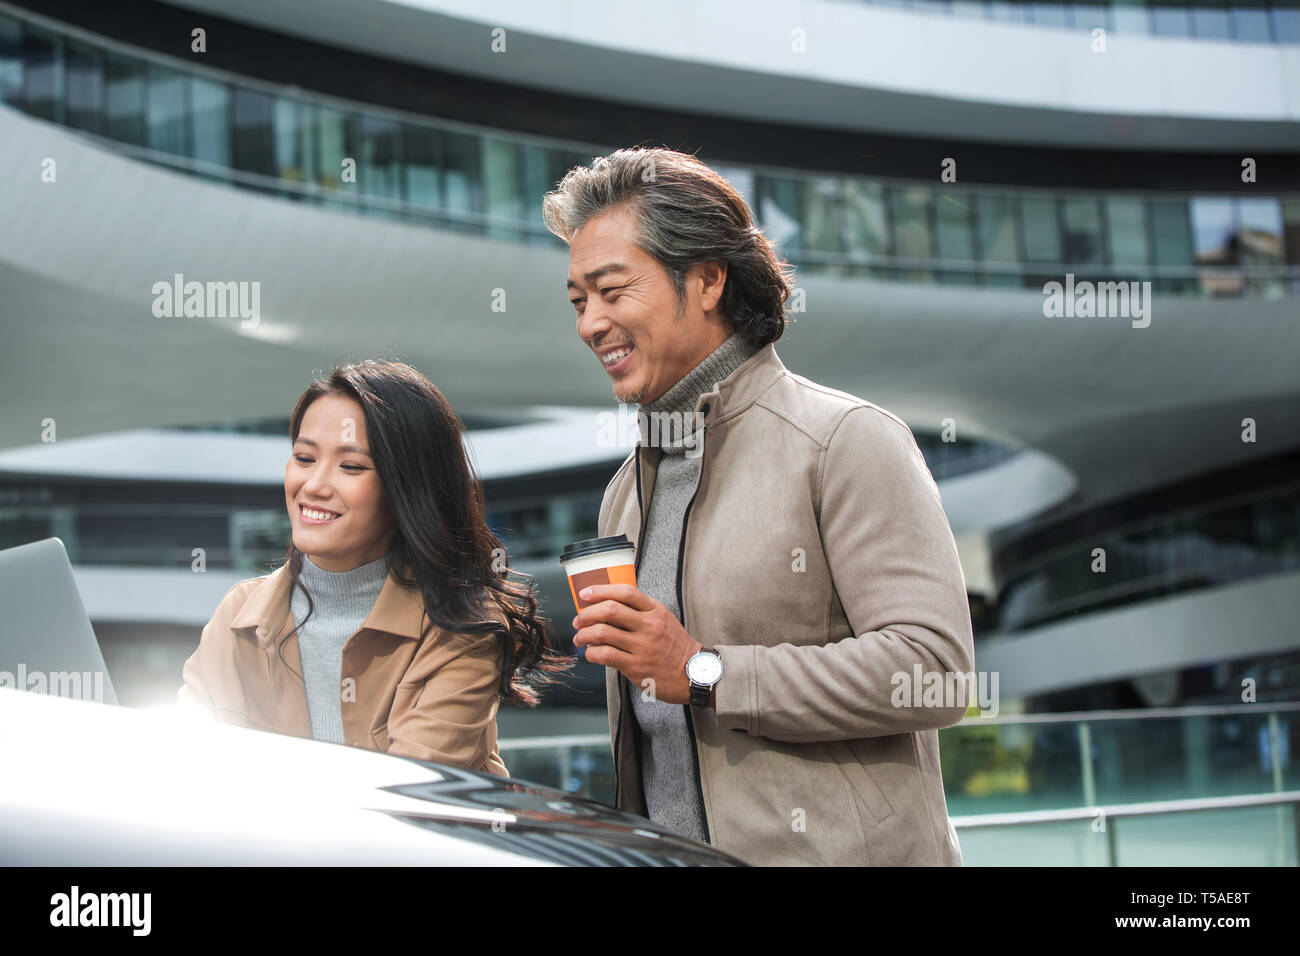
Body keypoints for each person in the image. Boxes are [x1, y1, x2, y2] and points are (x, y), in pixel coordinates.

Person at [543, 147, 975, 864]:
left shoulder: (845, 440)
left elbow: (935, 670)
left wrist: (707, 671)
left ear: (708, 280)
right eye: (578, 301)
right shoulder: (623, 493)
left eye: (612, 291)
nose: (591, 323)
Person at [179, 360, 568, 774]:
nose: (314, 486)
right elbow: (191, 771)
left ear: (407, 491)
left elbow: (406, 798)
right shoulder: (238, 615)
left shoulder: (459, 629)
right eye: (304, 458)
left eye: (351, 466)